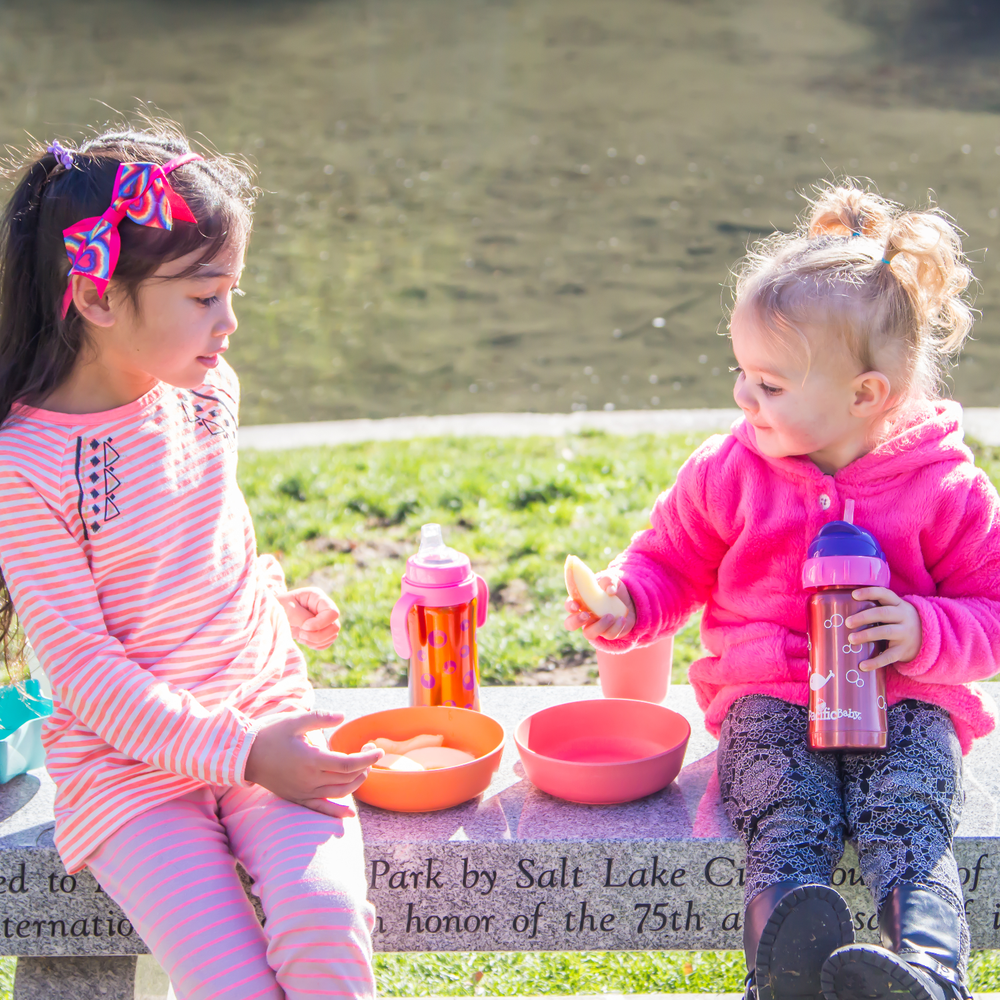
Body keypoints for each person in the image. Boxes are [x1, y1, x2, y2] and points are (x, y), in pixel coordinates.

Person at [565, 183, 1000, 1000]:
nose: (743, 397)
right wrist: (627, 604)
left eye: (769, 385)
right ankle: (782, 975)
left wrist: (922, 628)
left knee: (908, 818)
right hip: (769, 699)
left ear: (865, 396)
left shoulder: (944, 486)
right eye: (742, 374)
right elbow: (671, 559)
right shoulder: (731, 470)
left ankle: (930, 978)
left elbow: (995, 606)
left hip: (907, 703)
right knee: (785, 818)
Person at [0, 122, 384, 1000]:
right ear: (97, 297)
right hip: (131, 772)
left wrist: (268, 601)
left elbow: (206, 530)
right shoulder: (25, 467)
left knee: (326, 931)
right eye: (205, 295)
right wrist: (247, 755)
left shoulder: (207, 392)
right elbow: (89, 677)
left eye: (233, 290)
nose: (231, 321)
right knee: (231, 985)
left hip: (260, 707)